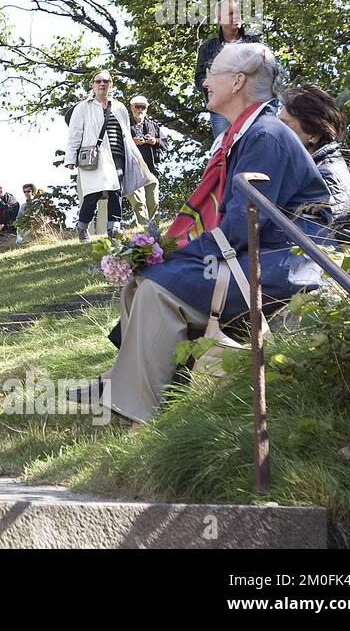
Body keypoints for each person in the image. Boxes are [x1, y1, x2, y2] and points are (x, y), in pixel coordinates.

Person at [72, 44, 333, 423]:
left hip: (283, 266)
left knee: (157, 288)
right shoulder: (248, 133)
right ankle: (135, 393)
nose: (206, 81)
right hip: (255, 256)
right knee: (139, 284)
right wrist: (159, 253)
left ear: (238, 81)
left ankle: (137, 412)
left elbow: (242, 228)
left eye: (213, 73)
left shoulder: (265, 136)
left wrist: (170, 255)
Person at [65, 70, 154, 240]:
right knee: (93, 193)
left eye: (105, 81)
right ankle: (82, 226)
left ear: (110, 84)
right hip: (94, 155)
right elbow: (75, 133)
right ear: (92, 85)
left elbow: (126, 133)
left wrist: (135, 157)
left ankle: (114, 228)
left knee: (116, 190)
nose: (101, 84)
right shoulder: (83, 107)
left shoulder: (119, 107)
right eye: (98, 81)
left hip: (118, 154)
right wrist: (70, 158)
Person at [279, 85, 350, 246]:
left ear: (314, 135)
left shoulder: (326, 175)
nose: (277, 131)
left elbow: (326, 241)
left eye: (286, 125)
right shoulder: (317, 165)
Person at [194, 0, 261, 139]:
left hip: (251, 105)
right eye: (230, 14)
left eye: (237, 12)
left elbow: (264, 72)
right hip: (222, 109)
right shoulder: (207, 48)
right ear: (219, 19)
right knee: (225, 152)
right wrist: (215, 91)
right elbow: (199, 78)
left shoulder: (254, 43)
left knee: (257, 144)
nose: (235, 16)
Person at [126, 95, 165, 225]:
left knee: (153, 201)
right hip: (131, 167)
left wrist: (154, 141)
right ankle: (144, 226)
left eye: (143, 107)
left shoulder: (153, 125)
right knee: (138, 201)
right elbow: (114, 142)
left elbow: (165, 144)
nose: (140, 109)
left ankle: (149, 224)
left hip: (150, 168)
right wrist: (132, 142)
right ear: (132, 108)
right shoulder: (124, 124)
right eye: (138, 106)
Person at [0, 182, 20, 252]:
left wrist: (3, 225)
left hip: (10, 231)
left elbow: (14, 216)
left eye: (0, 188)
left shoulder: (13, 200)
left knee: (11, 251)